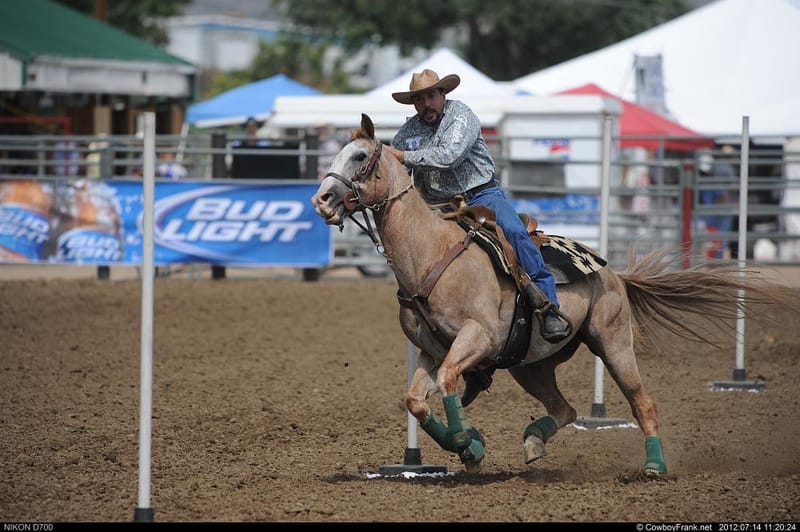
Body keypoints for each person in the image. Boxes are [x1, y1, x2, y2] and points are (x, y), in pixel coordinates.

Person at [384, 69, 570, 343]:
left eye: (431, 96)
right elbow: (393, 165)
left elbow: (449, 155)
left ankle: (548, 305)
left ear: (443, 95)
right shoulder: (408, 131)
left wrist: (401, 155)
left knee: (514, 232)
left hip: (482, 196)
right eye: (420, 99)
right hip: (438, 205)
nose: (426, 104)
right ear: (414, 104)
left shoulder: (461, 116)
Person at [697, 149, 736, 259]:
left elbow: (724, 194)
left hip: (716, 208)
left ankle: (715, 259)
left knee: (716, 236)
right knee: (718, 236)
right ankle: (716, 259)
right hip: (716, 208)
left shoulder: (715, 172)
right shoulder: (723, 169)